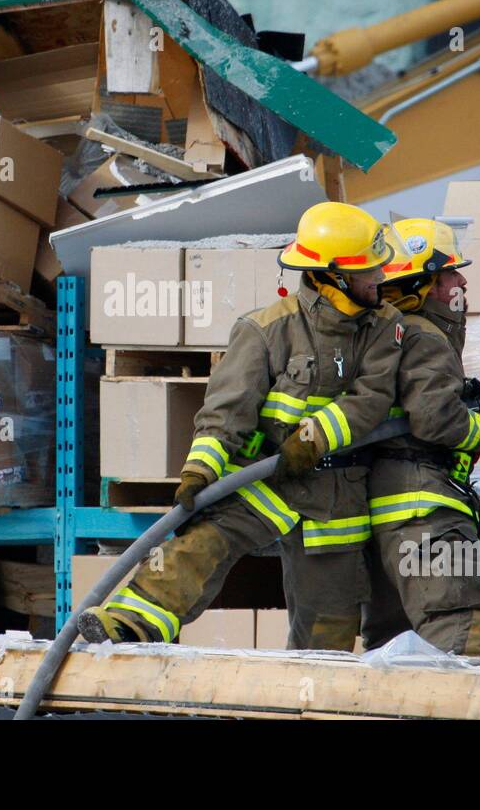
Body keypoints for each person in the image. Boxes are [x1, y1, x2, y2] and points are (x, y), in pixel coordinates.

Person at [78, 202, 406, 650]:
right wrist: (199, 471)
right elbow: (226, 412)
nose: (381, 278)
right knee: (199, 545)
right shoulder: (265, 330)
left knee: (329, 624)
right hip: (267, 477)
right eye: (371, 270)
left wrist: (314, 437)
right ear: (334, 275)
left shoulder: (386, 327)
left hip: (337, 493)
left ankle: (310, 701)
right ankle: (131, 624)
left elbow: (373, 397)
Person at [360, 217, 480, 658]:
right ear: (422, 284)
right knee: (466, 622)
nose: (461, 280)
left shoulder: (387, 334)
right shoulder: (424, 335)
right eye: (449, 272)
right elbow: (436, 422)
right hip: (426, 511)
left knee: (396, 648)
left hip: (388, 515)